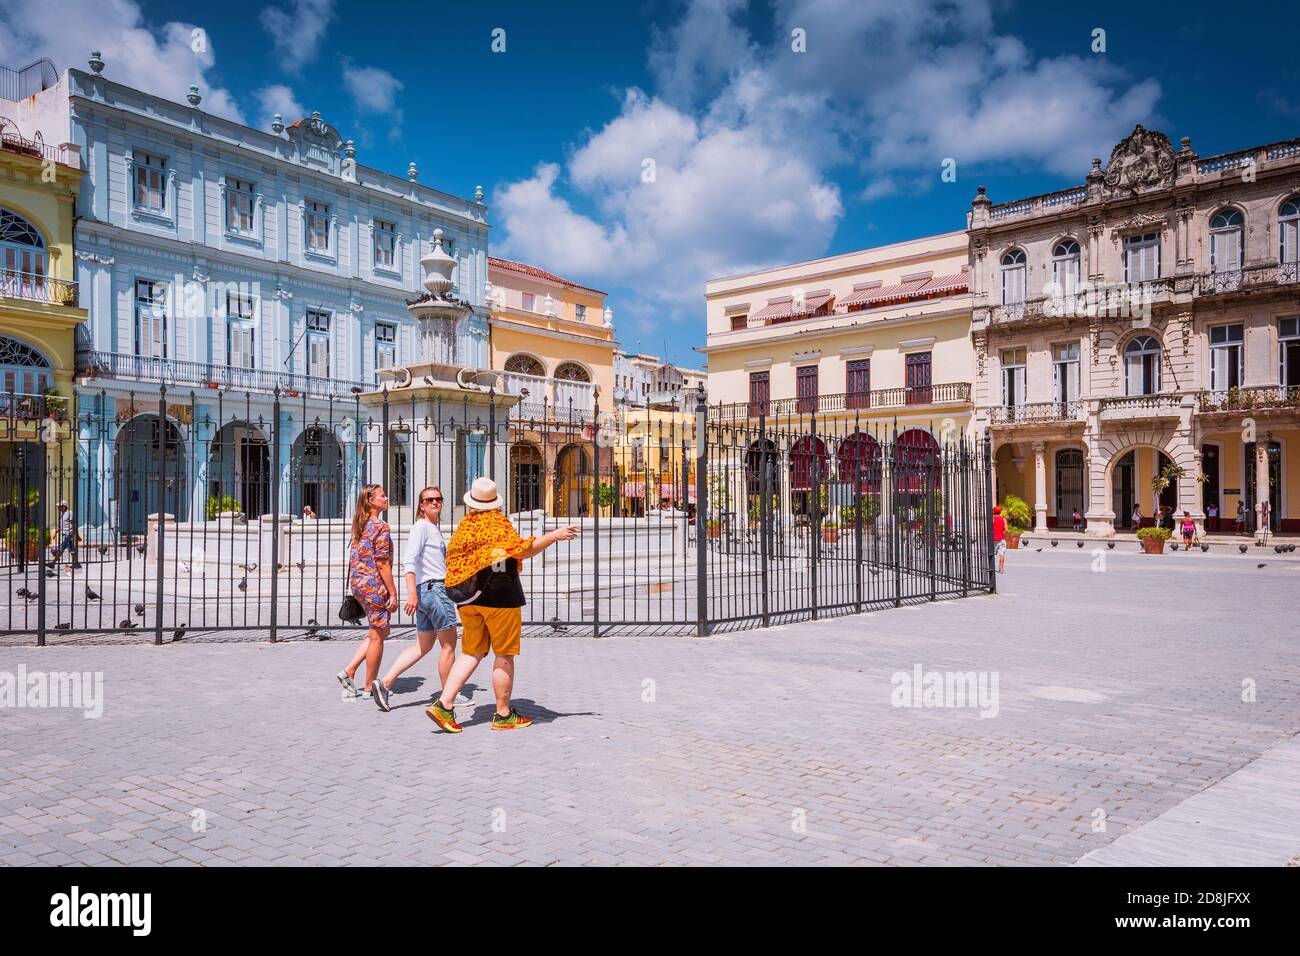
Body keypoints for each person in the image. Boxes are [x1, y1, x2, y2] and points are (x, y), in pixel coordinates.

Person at [426, 477, 579, 733]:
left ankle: (444, 703)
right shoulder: (497, 523)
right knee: (504, 654)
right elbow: (521, 551)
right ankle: (503, 714)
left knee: (471, 652)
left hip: (468, 598)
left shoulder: (466, 526)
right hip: (499, 597)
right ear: (494, 502)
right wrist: (553, 536)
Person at [370, 486, 468, 713]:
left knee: (422, 646)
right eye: (429, 500)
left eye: (438, 499)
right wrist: (411, 593)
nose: (435, 502)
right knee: (449, 645)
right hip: (434, 591)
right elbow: (409, 561)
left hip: (428, 592)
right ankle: (448, 695)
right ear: (421, 505)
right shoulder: (422, 527)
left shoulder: (432, 528)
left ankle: (384, 683)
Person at [336, 484, 397, 700]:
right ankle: (370, 687)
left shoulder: (359, 525)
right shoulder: (381, 527)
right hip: (375, 585)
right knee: (379, 637)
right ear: (371, 500)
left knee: (377, 632)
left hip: (359, 585)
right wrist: (393, 593)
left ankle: (349, 671)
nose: (386, 497)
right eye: (382, 495)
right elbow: (382, 563)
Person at [50, 500, 79, 572]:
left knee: (61, 548)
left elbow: (73, 524)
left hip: (68, 533)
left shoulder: (70, 513)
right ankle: (75, 563)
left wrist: (77, 534)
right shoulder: (61, 514)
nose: (58, 508)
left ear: (64, 507)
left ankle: (53, 563)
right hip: (64, 533)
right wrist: (56, 532)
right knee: (72, 549)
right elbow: (62, 526)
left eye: (59, 506)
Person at [992, 504, 1007, 574]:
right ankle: (1001, 569)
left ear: (993, 511)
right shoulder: (1004, 519)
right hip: (1002, 539)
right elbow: (1006, 529)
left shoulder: (992, 519)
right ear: (1000, 512)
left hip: (994, 539)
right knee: (1002, 554)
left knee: (991, 553)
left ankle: (991, 567)